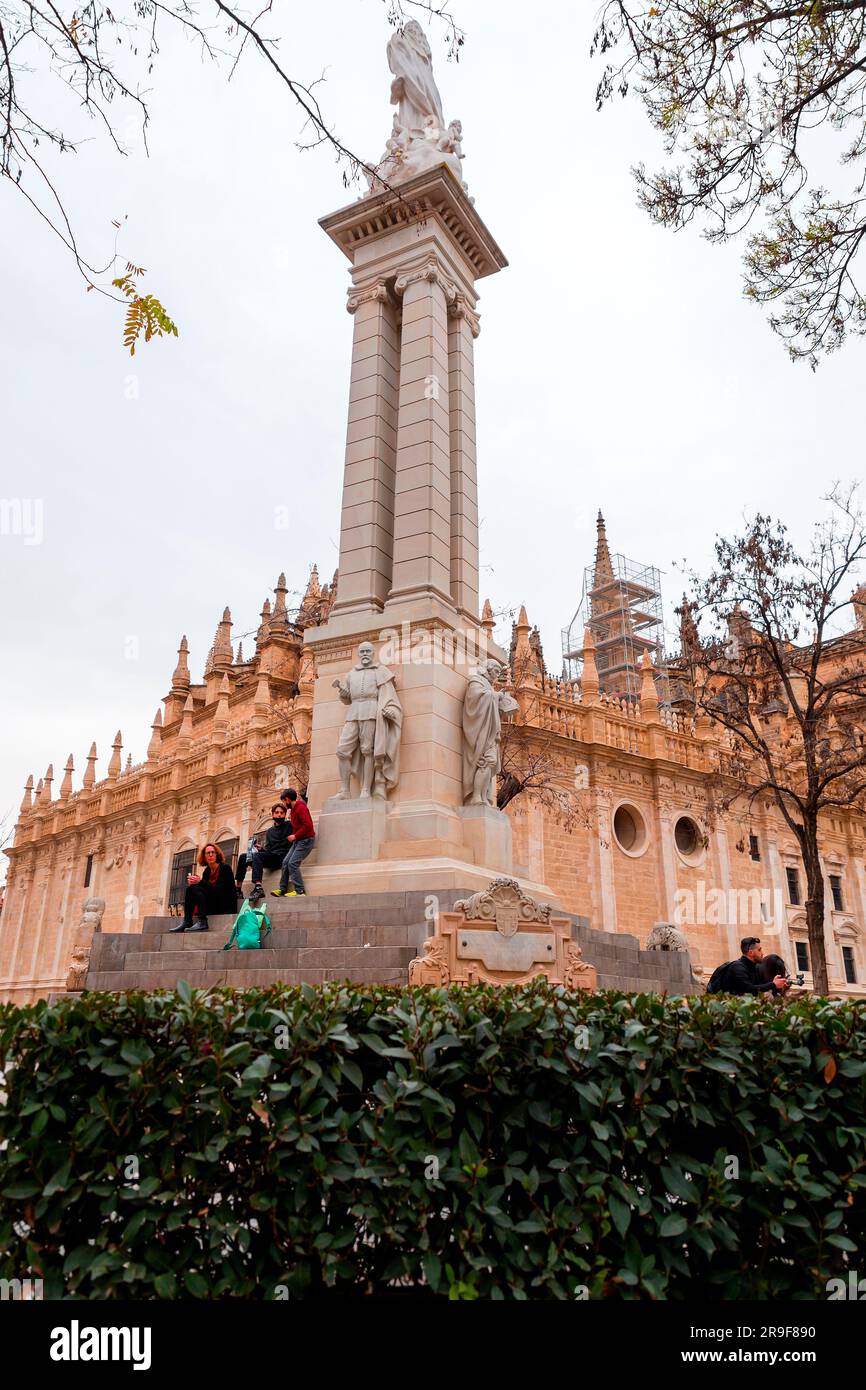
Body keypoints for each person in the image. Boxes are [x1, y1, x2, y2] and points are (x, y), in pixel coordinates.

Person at [169, 842, 237, 933]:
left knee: (196, 887)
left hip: (225, 905)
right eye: (208, 853)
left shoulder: (225, 868)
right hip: (213, 903)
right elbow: (206, 889)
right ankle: (187, 921)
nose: (210, 855)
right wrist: (195, 883)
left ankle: (203, 922)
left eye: (213, 852)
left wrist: (200, 882)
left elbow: (220, 891)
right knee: (191, 888)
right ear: (204, 857)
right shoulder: (207, 871)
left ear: (217, 855)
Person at [234, 803, 293, 906]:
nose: (279, 815)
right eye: (277, 812)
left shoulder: (290, 825)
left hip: (282, 857)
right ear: (272, 815)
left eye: (281, 813)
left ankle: (258, 887)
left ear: (285, 814)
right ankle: (238, 889)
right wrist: (261, 849)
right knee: (244, 857)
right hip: (271, 856)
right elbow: (269, 850)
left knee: (258, 856)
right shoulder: (270, 831)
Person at [271, 788, 316, 898]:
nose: (283, 804)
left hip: (306, 840)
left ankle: (300, 891)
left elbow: (308, 826)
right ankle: (282, 889)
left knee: (292, 863)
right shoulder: (294, 810)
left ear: (287, 799)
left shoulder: (301, 808)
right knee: (286, 862)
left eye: (283, 801)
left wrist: (295, 835)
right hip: (298, 841)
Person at [723, 937, 790, 996]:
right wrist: (773, 985)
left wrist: (780, 985)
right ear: (750, 953)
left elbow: (760, 988)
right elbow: (748, 990)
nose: (762, 953)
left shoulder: (754, 967)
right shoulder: (737, 967)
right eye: (759, 950)